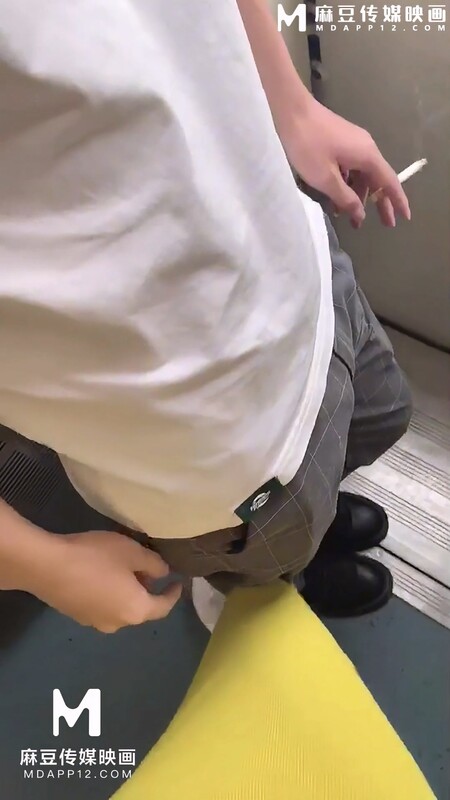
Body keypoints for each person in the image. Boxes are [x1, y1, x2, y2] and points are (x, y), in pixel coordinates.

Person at [0, 0, 411, 634]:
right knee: (269, 554)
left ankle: (311, 529)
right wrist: (42, 565)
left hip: (294, 251)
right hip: (200, 444)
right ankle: (269, 583)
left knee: (383, 415)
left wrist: (292, 105)